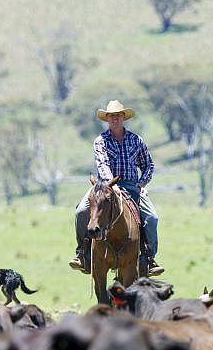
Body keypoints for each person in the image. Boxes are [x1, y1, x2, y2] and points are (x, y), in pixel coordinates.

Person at [68, 100, 164, 277]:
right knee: (81, 211)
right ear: (107, 119)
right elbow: (102, 164)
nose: (115, 119)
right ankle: (83, 253)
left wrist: (142, 183)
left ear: (123, 118)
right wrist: (112, 185)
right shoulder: (101, 141)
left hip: (132, 185)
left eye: (118, 116)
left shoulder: (136, 140)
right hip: (105, 186)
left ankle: (149, 259)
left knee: (152, 217)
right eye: (111, 116)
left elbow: (148, 165)